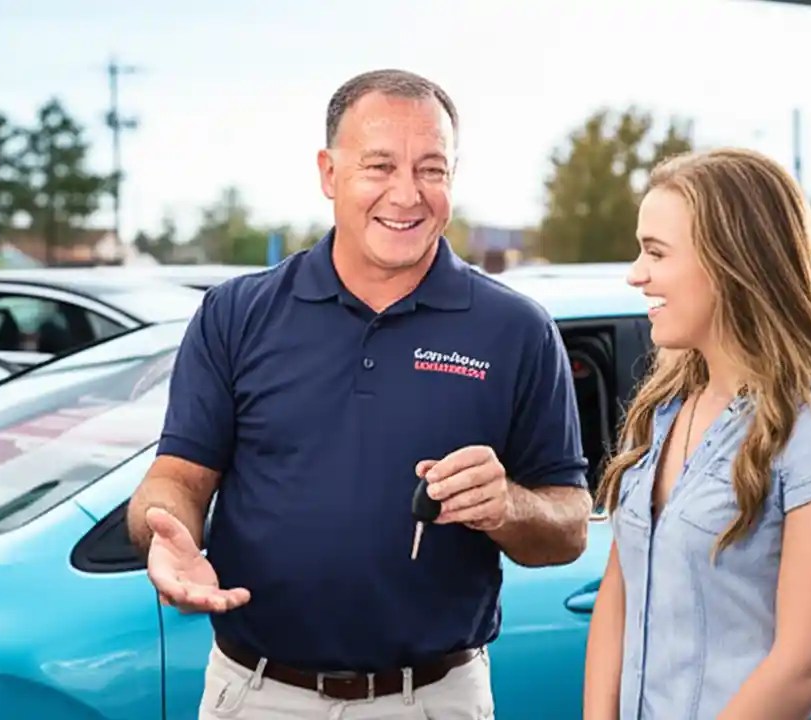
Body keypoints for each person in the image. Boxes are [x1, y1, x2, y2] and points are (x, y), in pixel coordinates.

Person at [126, 68, 593, 719]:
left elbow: (569, 526)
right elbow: (176, 475)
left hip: (433, 700)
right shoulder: (236, 313)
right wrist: (166, 532)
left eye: (432, 169)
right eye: (380, 166)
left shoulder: (516, 330)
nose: (407, 194)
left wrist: (508, 506)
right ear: (328, 173)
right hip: (256, 696)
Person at [582, 147, 811, 720]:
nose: (635, 273)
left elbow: (806, 668)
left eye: (655, 252)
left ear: (731, 263)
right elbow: (619, 594)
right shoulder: (663, 408)